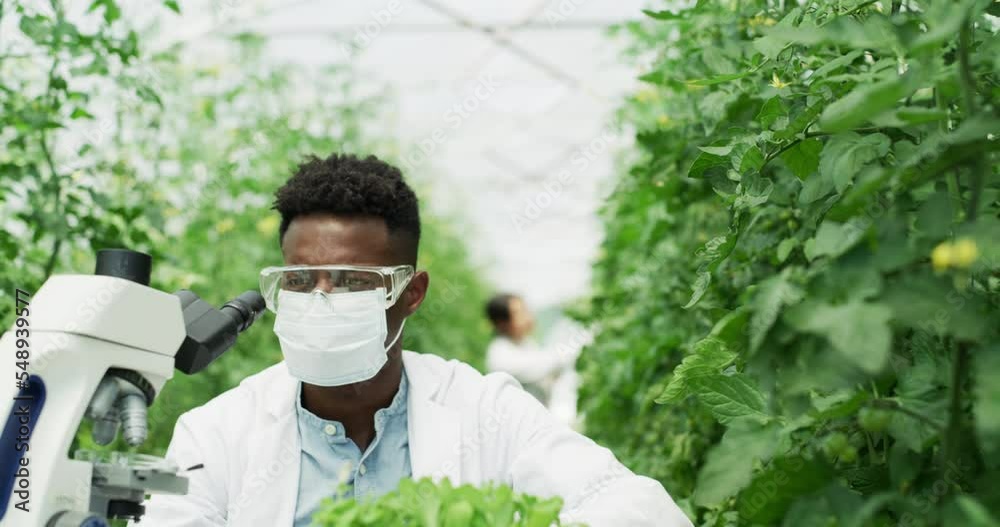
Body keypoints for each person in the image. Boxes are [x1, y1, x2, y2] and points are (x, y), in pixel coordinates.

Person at [135, 153, 692, 527]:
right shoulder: (218, 434)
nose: (323, 298)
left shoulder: (486, 412)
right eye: (302, 280)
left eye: (354, 281)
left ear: (412, 292)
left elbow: (632, 507)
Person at [484, 294, 576, 406]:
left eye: (526, 310)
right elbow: (542, 366)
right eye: (519, 313)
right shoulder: (499, 354)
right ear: (501, 323)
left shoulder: (527, 343)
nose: (527, 316)